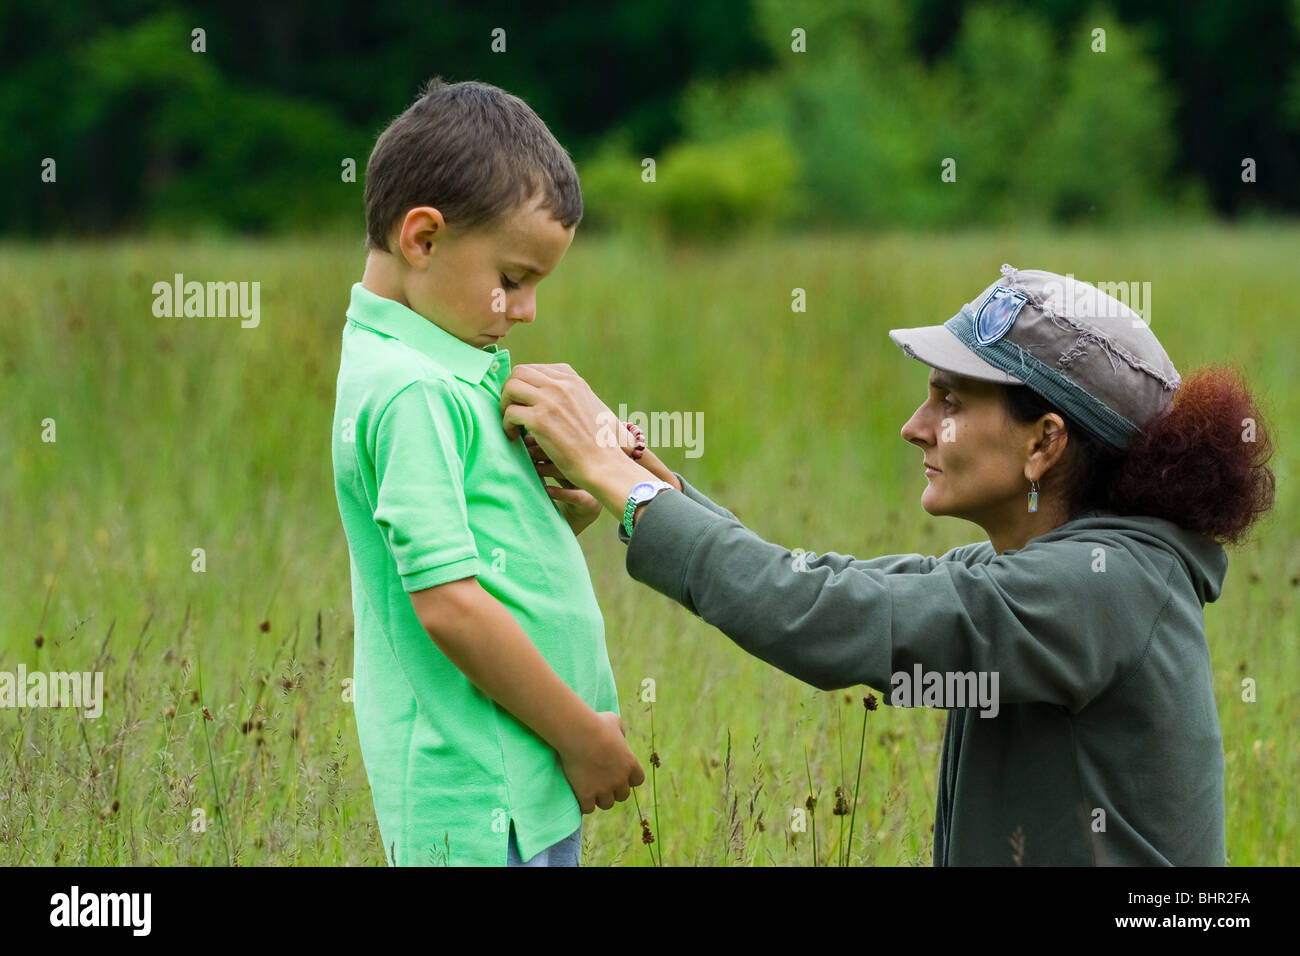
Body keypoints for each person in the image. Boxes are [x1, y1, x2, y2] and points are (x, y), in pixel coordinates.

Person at [502, 265, 1276, 865]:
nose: (915, 427)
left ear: (1044, 442)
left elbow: (830, 621)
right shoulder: (1066, 569)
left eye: (949, 401)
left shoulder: (1094, 588)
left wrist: (617, 480)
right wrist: (654, 483)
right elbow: (832, 583)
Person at [331, 78, 643, 867]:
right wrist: (585, 740)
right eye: (512, 279)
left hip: (517, 789)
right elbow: (450, 607)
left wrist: (560, 511)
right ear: (423, 240)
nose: (526, 309)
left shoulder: (448, 367)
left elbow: (481, 555)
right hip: (475, 801)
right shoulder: (411, 390)